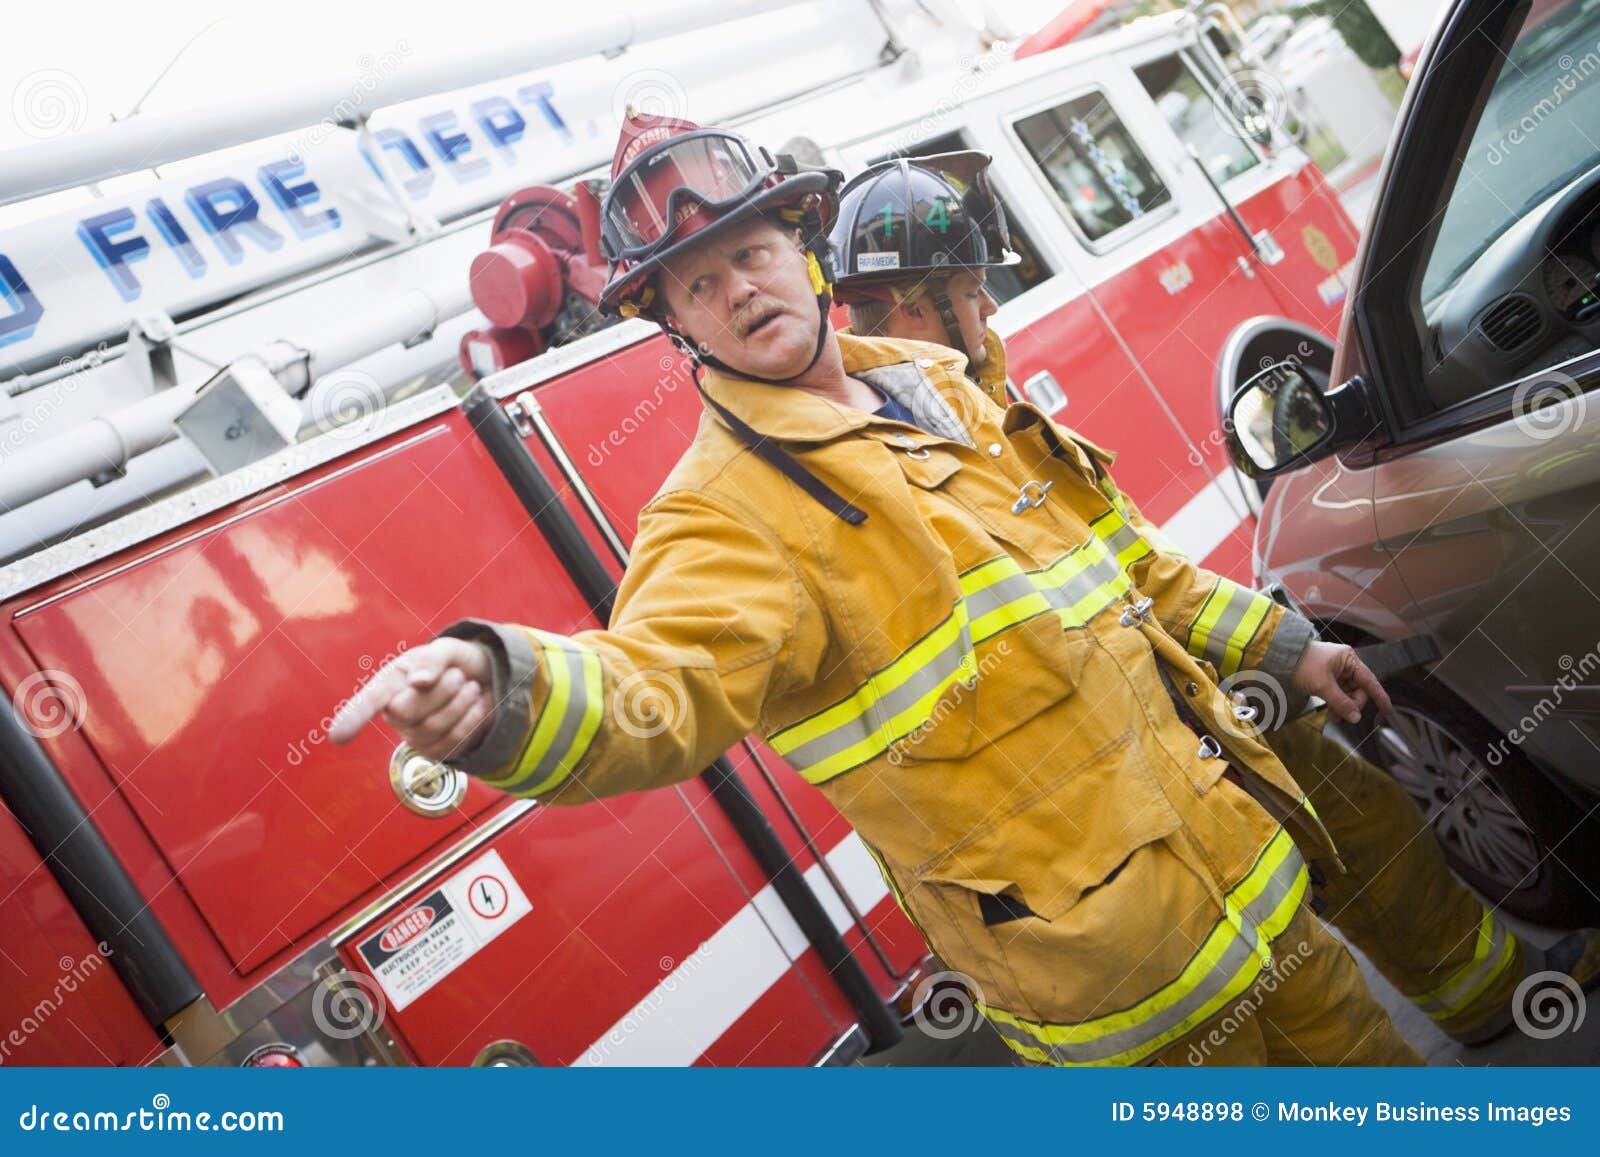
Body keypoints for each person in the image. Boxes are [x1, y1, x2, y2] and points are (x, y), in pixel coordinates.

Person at [331, 113, 1432, 1066]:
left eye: (751, 252)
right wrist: (501, 686)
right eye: (700, 286)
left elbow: (1125, 562)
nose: (738, 290)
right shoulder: (722, 513)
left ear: (806, 251)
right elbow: (655, 684)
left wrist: (1290, 647)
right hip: (1120, 991)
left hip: (1255, 889)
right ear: (678, 330)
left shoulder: (943, 387)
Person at [828, 151, 1600, 1052]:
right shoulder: (889, 461)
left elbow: (1140, 567)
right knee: (1289, 984)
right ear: (919, 304)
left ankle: (1491, 994)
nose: (992, 307)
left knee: (1365, 824)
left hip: (1199, 701)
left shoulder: (980, 411)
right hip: (1125, 783)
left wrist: (1288, 649)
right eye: (971, 286)